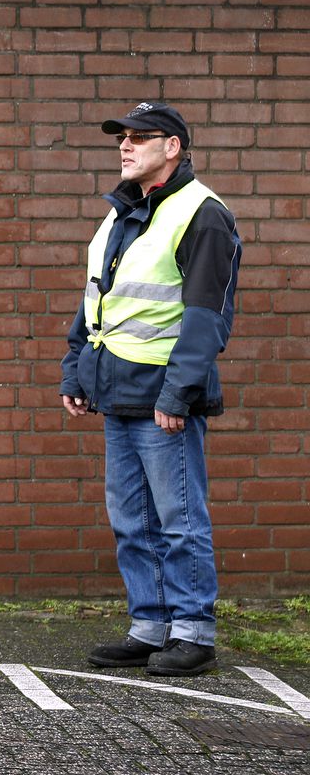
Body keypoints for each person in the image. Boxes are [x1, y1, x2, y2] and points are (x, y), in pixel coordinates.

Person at [61, 102, 241, 677]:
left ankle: (193, 634)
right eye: (123, 137)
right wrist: (76, 372)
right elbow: (97, 301)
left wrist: (178, 394)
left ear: (174, 148)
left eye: (141, 137)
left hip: (163, 398)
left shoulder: (202, 214)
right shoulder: (120, 213)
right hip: (116, 391)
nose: (126, 145)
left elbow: (206, 316)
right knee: (132, 521)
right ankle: (152, 626)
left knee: (179, 518)